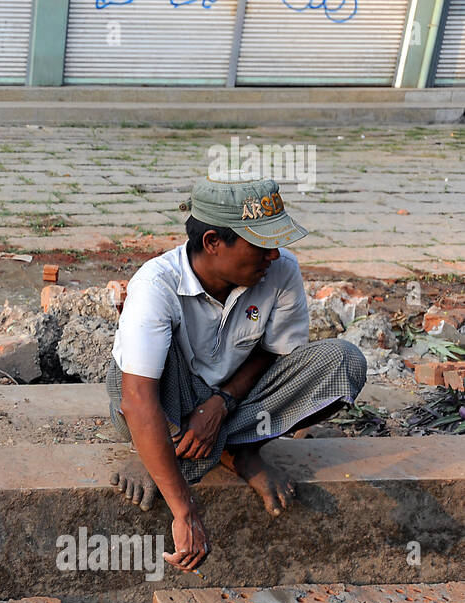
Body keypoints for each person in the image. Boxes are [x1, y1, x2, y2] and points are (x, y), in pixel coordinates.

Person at [106, 178, 366, 574]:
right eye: (261, 244)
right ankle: (227, 452)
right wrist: (184, 511)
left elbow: (273, 353)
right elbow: (138, 398)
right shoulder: (155, 284)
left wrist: (221, 402)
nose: (274, 254)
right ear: (212, 242)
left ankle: (186, 454)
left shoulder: (280, 269)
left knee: (344, 363)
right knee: (152, 373)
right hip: (165, 404)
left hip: (234, 403)